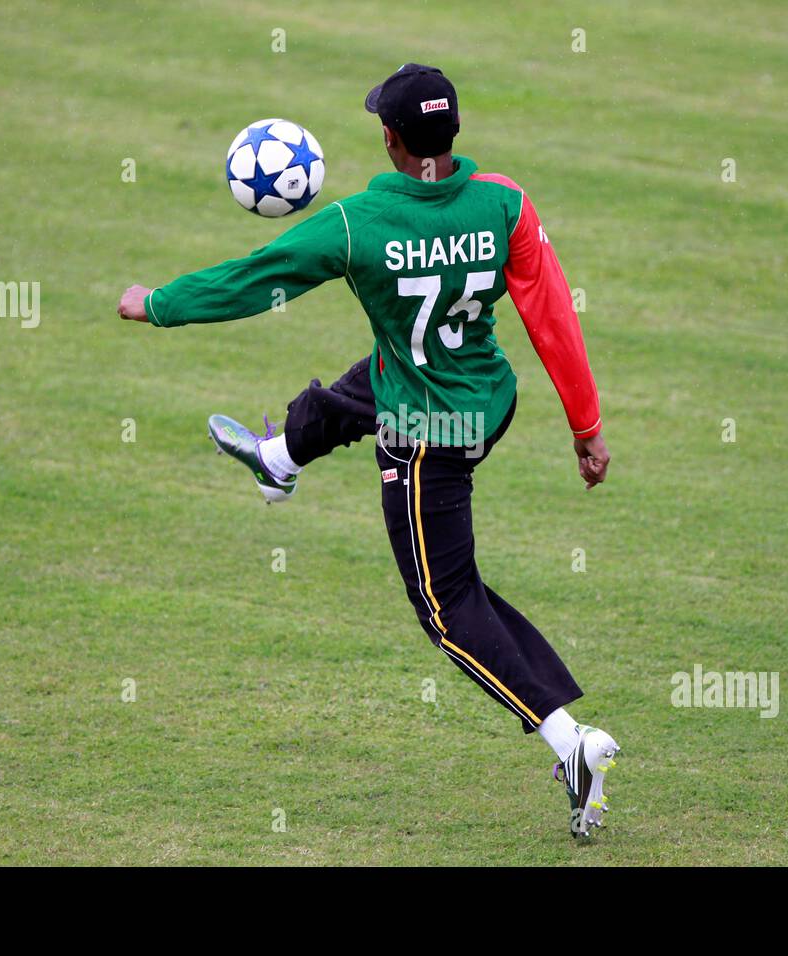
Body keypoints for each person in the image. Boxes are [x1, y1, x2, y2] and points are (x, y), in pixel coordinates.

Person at [118, 63, 619, 838]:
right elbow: (551, 315)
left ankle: (571, 745)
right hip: (486, 402)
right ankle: (281, 455)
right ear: (453, 133)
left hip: (427, 440)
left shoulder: (358, 223)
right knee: (381, 373)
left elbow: (257, 278)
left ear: (390, 139)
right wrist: (586, 429)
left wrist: (157, 305)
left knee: (449, 608)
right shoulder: (505, 202)